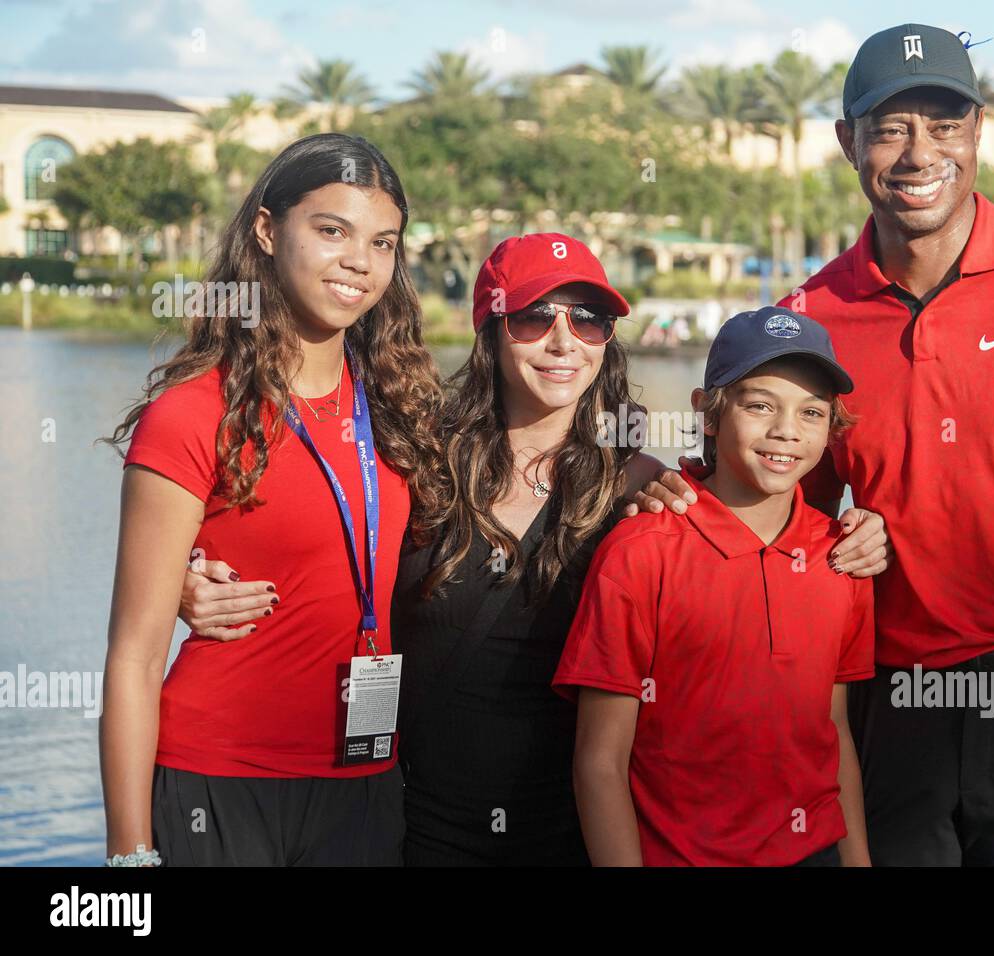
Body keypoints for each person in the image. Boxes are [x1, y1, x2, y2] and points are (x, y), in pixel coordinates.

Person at [638, 24, 994, 866]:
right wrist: (650, 481)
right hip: (891, 708)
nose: (917, 152)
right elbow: (771, 513)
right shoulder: (810, 319)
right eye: (890, 127)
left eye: (944, 124)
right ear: (846, 142)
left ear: (979, 133)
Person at [179, 233, 666, 865]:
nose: (564, 340)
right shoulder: (410, 457)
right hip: (412, 825)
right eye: (535, 316)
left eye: (590, 319)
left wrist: (838, 546)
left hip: (573, 828)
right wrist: (188, 578)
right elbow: (280, 522)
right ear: (490, 329)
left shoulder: (638, 484)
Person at [100, 133, 441, 866]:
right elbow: (133, 655)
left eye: (383, 242)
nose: (360, 261)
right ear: (266, 229)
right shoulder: (193, 414)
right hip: (217, 784)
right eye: (331, 231)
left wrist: (660, 484)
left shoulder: (404, 408)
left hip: (365, 786)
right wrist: (129, 855)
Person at [553, 306, 875, 867]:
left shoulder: (841, 556)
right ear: (706, 412)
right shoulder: (641, 552)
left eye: (812, 412)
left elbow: (833, 731)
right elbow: (599, 762)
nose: (786, 431)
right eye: (759, 406)